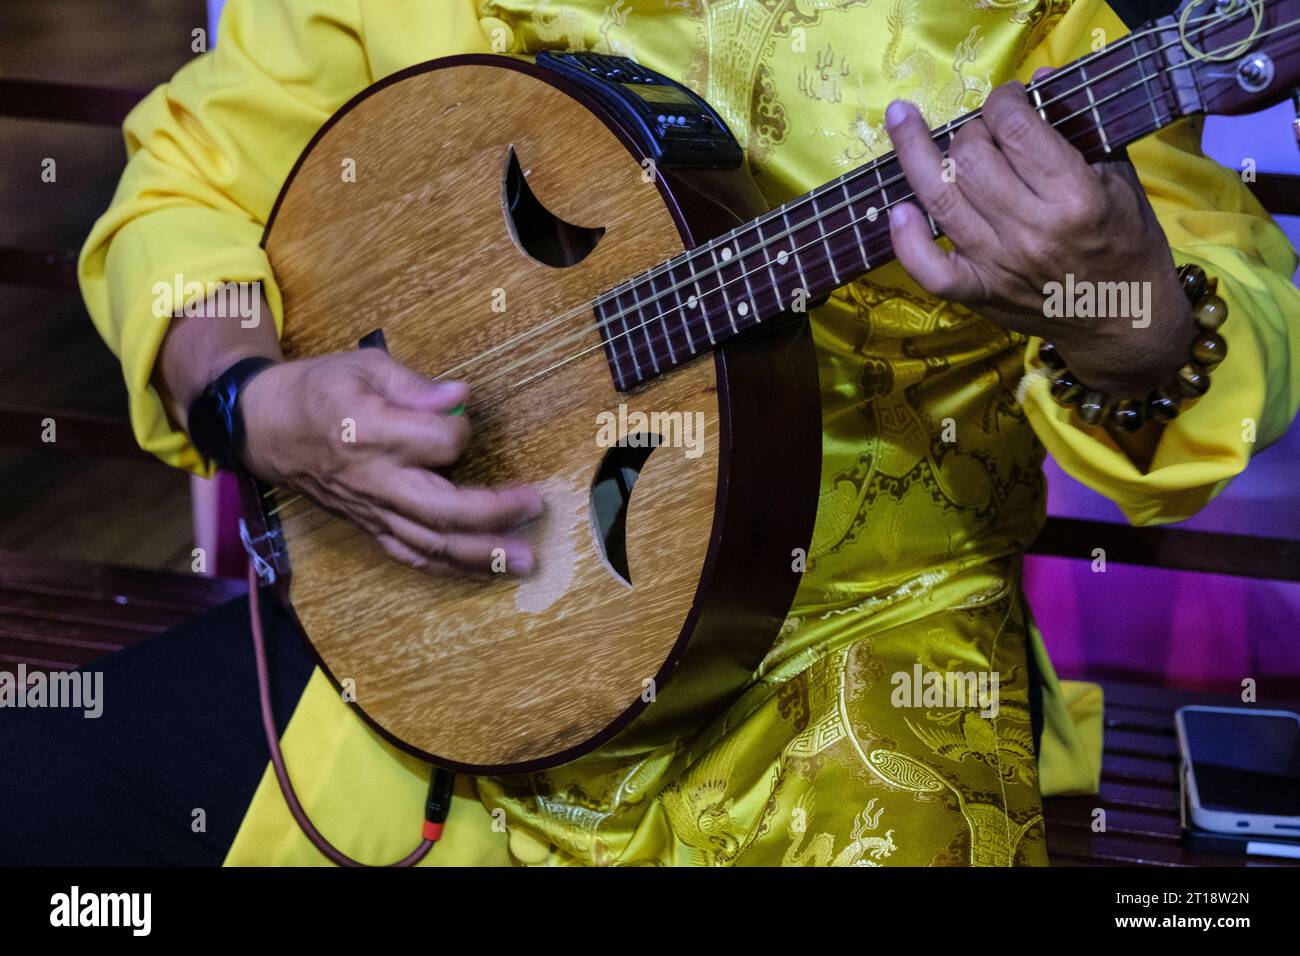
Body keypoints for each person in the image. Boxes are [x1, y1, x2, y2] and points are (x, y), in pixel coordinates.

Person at [4, 0, 1297, 866]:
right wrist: (240, 390)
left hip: (854, 711)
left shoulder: (1043, 26)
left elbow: (1221, 299)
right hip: (419, 625)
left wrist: (1119, 309)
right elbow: (193, 180)